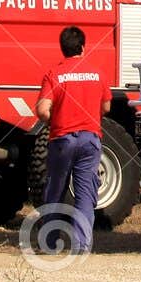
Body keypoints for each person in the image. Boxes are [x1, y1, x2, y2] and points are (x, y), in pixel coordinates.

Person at [37, 25, 113, 255]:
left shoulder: (54, 74)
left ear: (63, 49)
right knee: (85, 193)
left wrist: (56, 120)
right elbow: (106, 106)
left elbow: (42, 110)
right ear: (82, 46)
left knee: (55, 191)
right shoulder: (96, 73)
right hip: (90, 140)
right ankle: (81, 246)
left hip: (62, 140)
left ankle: (50, 243)